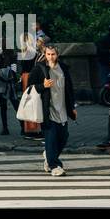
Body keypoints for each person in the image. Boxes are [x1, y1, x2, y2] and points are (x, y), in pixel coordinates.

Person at [30, 43, 76, 176]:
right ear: (45, 54)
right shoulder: (40, 69)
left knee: (63, 137)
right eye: (48, 54)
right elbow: (29, 87)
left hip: (62, 108)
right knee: (51, 137)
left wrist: (72, 107)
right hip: (47, 109)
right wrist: (42, 86)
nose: (50, 57)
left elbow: (69, 89)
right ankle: (54, 165)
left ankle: (49, 155)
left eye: (53, 54)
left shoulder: (63, 68)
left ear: (57, 55)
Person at [17, 32, 41, 138]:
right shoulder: (32, 52)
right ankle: (32, 129)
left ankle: (30, 129)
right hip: (29, 77)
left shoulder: (26, 52)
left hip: (27, 77)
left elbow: (23, 67)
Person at [0, 47, 19, 135]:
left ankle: (22, 126)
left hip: (8, 84)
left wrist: (1, 72)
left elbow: (12, 73)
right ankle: (5, 128)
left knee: (15, 106)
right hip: (4, 84)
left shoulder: (11, 57)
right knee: (4, 107)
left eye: (0, 46)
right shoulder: (0, 57)